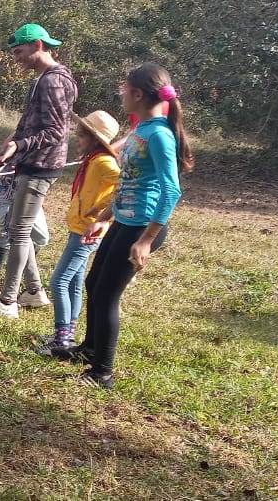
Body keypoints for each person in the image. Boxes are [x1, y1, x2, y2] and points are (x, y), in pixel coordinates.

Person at [55, 64, 191, 389]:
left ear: (138, 94)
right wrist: (104, 219)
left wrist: (146, 240)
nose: (121, 93)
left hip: (142, 227)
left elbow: (171, 190)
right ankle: (89, 350)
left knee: (106, 295)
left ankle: (102, 372)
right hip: (124, 221)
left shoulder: (159, 135)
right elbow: (128, 182)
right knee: (93, 284)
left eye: (124, 88)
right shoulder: (141, 130)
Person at [0, 23, 78, 318]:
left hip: (40, 165)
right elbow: (28, 124)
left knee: (18, 231)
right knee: (20, 228)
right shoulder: (43, 79)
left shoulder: (53, 82)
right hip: (29, 162)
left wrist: (19, 146)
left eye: (19, 51)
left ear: (37, 46)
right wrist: (0, 161)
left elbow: (55, 132)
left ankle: (7, 302)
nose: (16, 58)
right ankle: (34, 292)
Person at [34, 111, 120, 357]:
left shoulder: (104, 162)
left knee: (58, 281)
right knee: (72, 282)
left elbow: (126, 185)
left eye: (81, 134)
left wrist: (102, 212)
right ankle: (67, 334)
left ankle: (61, 339)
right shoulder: (93, 160)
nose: (77, 138)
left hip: (88, 231)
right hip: (79, 227)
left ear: (93, 138)